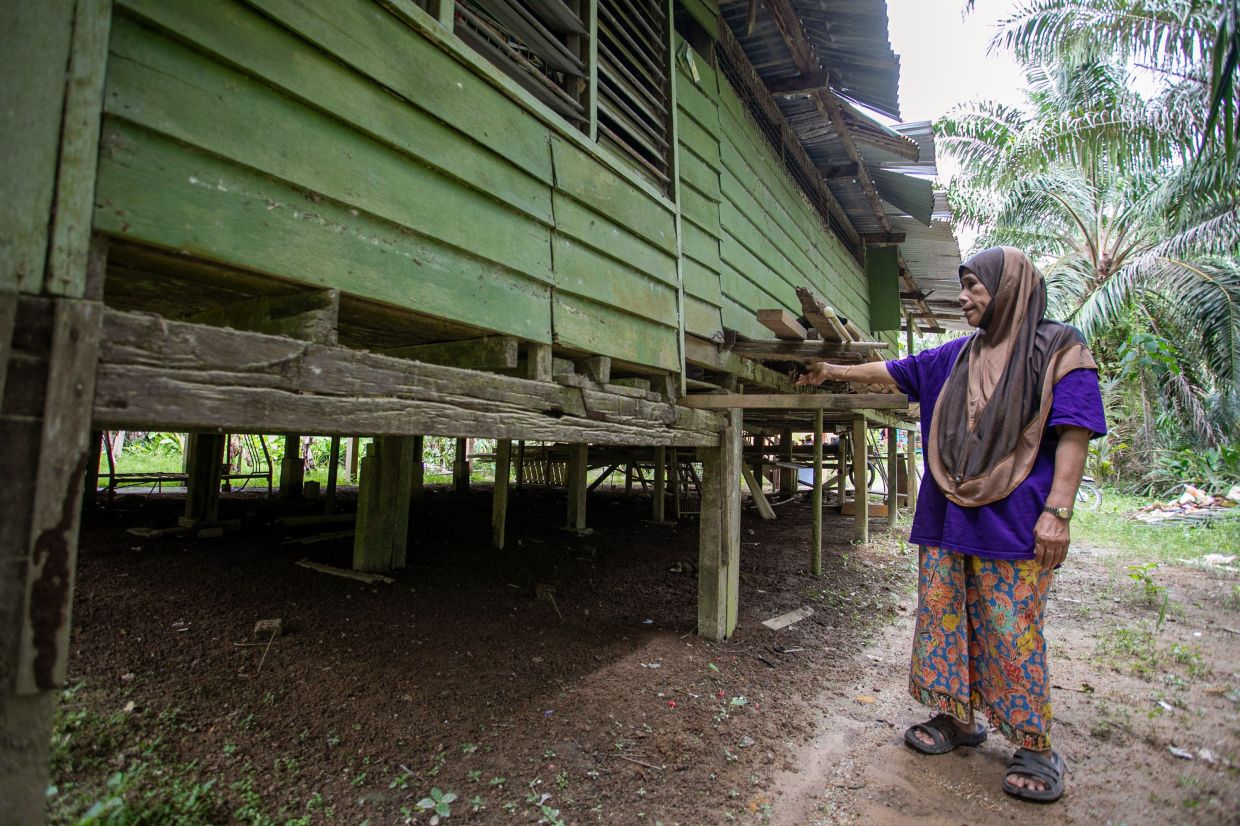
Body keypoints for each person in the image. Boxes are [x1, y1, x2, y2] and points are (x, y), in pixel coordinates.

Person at [798, 246, 1105, 803]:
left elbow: (1075, 433)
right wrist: (834, 370)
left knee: (1012, 629)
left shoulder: (1059, 348)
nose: (963, 297)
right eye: (963, 286)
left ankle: (1035, 745)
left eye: (974, 287)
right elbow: (893, 372)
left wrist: (1058, 514)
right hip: (945, 516)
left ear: (1008, 289)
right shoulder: (956, 358)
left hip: (1014, 520)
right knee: (944, 617)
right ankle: (958, 719)